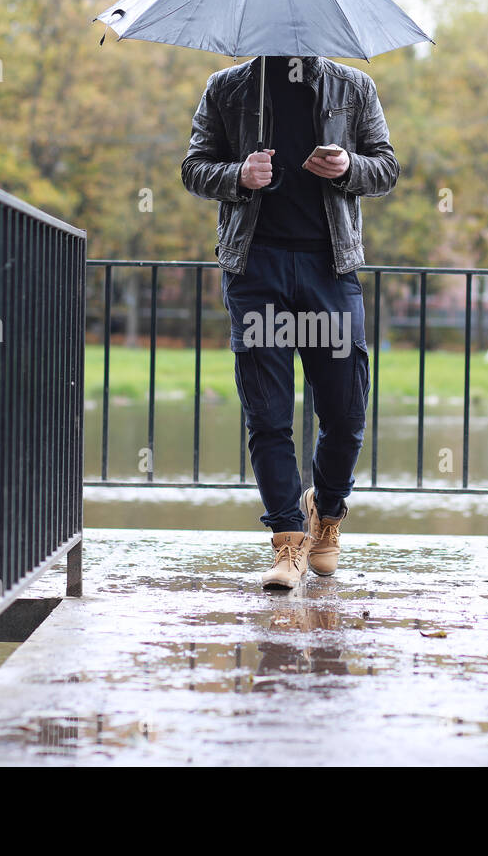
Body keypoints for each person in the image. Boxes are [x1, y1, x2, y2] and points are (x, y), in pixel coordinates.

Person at [182, 54, 399, 589]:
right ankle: (287, 544)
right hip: (257, 269)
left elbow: (387, 167)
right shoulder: (228, 88)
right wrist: (238, 175)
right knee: (269, 415)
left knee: (346, 411)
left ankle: (326, 516)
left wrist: (350, 167)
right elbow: (193, 168)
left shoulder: (353, 86)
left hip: (330, 268)